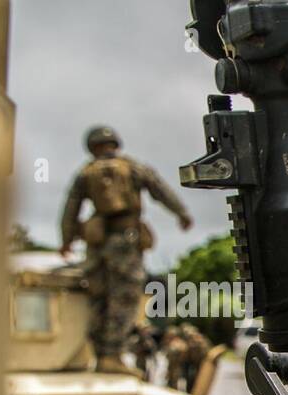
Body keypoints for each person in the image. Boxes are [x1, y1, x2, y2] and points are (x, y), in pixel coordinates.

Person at [58, 126, 193, 375]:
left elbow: (70, 209)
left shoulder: (86, 173)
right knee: (126, 296)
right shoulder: (132, 167)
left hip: (96, 245)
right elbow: (160, 190)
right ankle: (112, 356)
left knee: (98, 295)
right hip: (125, 240)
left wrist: (66, 241)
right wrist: (181, 213)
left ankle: (100, 354)